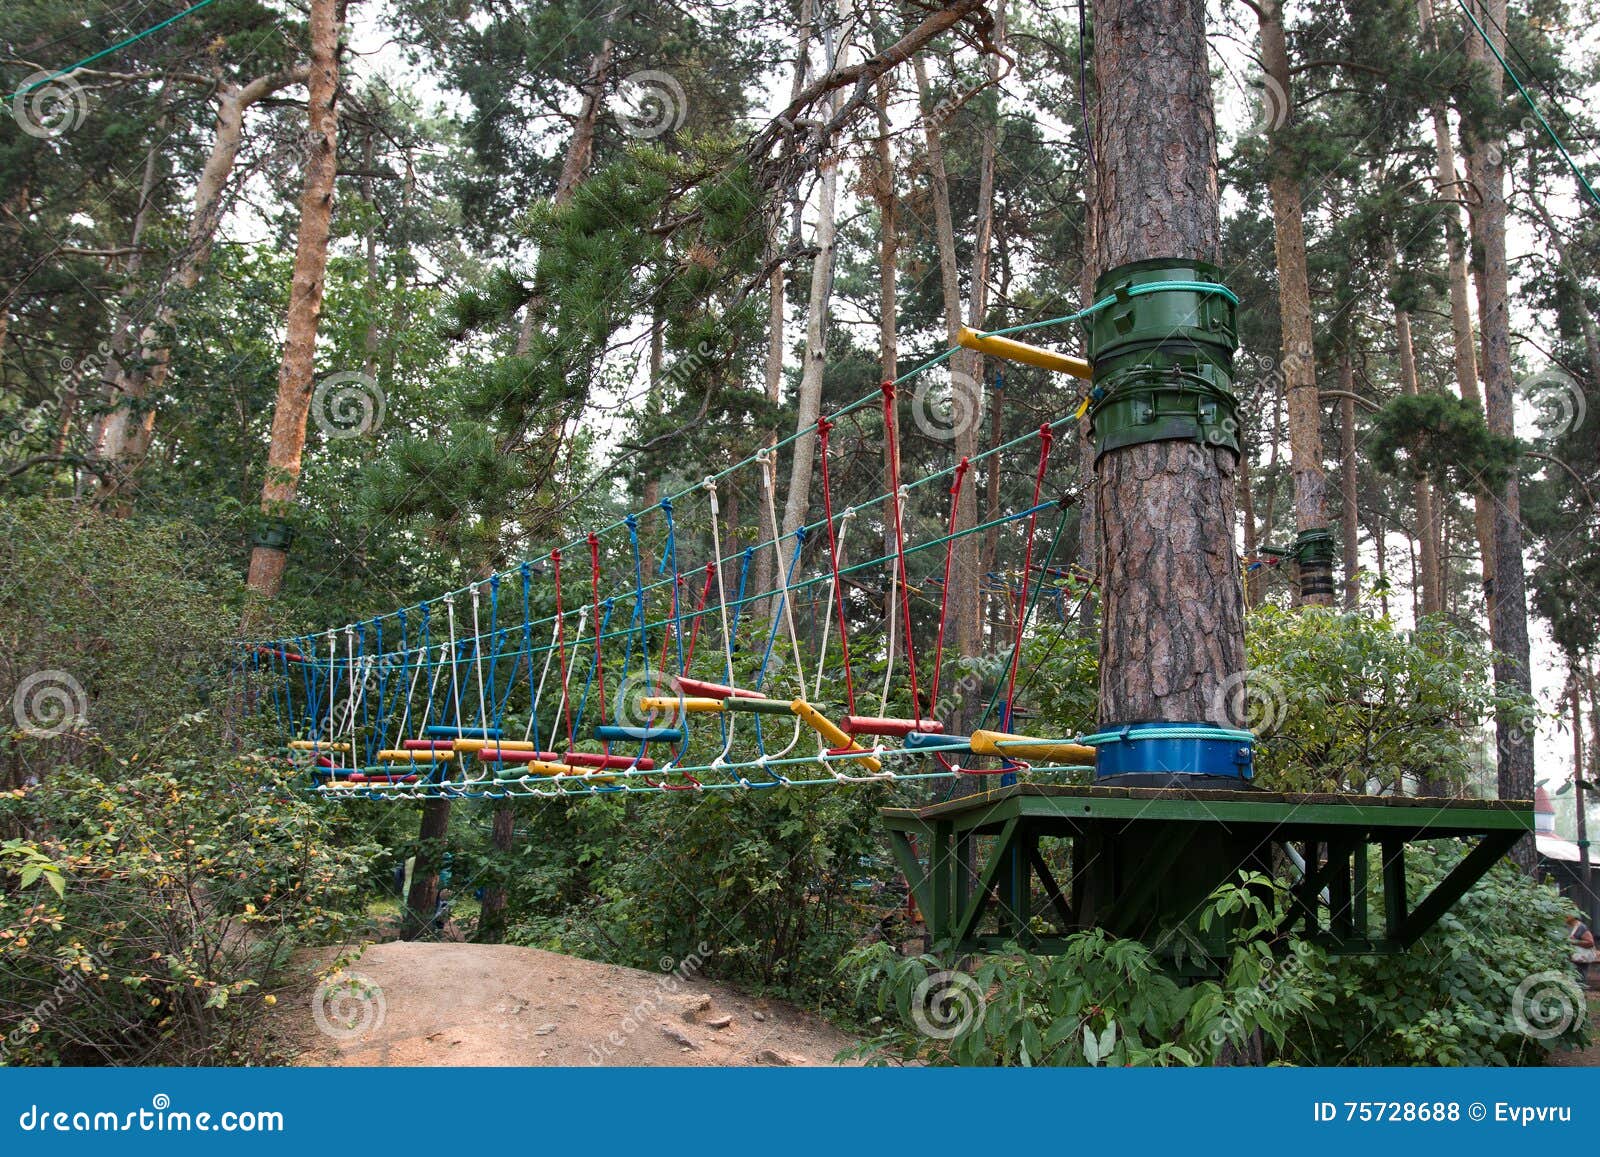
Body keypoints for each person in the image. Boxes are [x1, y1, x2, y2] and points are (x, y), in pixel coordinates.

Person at [1566, 915, 1596, 981]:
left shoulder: (1581, 927)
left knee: (1580, 979)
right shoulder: (1567, 926)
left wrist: (1574, 941)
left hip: (1580, 960)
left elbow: (1590, 943)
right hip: (1571, 960)